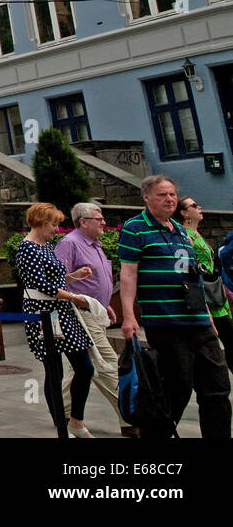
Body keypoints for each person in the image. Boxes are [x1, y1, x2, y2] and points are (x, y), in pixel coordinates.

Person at [120, 177, 230, 438]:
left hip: (198, 322)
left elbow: (192, 277)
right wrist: (128, 317)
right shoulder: (135, 228)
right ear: (146, 197)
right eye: (162, 195)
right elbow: (128, 274)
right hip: (166, 323)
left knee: (217, 387)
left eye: (172, 194)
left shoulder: (180, 231)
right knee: (176, 387)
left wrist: (207, 315)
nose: (169, 199)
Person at [54, 202, 135, 436]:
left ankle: (63, 411)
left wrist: (106, 302)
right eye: (98, 218)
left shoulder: (95, 244)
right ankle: (128, 417)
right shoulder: (69, 243)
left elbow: (94, 282)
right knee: (106, 364)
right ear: (83, 222)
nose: (103, 222)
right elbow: (56, 282)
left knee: (81, 368)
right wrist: (82, 298)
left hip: (94, 311)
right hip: (80, 314)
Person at [16, 202, 96, 437]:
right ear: (40, 222)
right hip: (43, 312)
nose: (56, 229)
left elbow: (55, 282)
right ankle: (62, 423)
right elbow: (41, 285)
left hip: (59, 309)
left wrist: (74, 277)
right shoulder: (28, 248)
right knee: (54, 369)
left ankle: (76, 420)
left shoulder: (46, 246)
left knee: (84, 367)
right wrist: (74, 297)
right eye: (53, 224)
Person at [177, 196, 233, 371]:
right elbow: (183, 270)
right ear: (184, 213)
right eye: (194, 205)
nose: (199, 207)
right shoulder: (185, 236)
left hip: (215, 293)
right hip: (205, 297)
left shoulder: (197, 233)